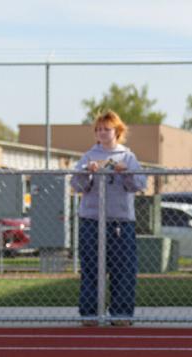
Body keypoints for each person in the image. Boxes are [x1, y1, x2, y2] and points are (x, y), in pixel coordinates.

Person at [70, 110, 147, 327]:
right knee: (91, 269)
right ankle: (90, 314)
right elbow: (77, 185)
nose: (102, 133)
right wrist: (88, 172)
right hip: (92, 221)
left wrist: (126, 173)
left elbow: (140, 185)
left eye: (107, 129)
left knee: (123, 269)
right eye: (99, 129)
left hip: (120, 222)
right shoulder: (89, 156)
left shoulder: (128, 156)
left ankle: (121, 314)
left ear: (117, 131)